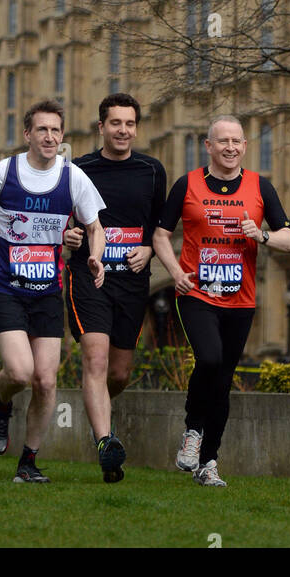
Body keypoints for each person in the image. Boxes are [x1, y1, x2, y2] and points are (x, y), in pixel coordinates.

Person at [0, 100, 106, 482]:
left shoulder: (73, 177)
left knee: (46, 380)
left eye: (55, 130)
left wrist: (95, 257)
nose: (49, 136)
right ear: (28, 134)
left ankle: (27, 463)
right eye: (42, 129)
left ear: (63, 137)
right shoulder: (3, 172)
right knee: (20, 371)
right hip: (6, 285)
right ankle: (2, 401)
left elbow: (95, 226)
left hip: (47, 290)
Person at [153, 115, 290, 487]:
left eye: (237, 141)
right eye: (223, 141)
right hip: (197, 292)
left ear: (245, 147)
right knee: (210, 358)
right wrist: (175, 271)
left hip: (241, 299)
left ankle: (209, 463)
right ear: (209, 146)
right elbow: (160, 234)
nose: (230, 147)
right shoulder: (188, 184)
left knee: (223, 379)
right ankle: (192, 430)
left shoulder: (260, 187)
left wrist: (261, 235)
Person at [63, 93, 167, 483]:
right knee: (96, 360)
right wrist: (69, 236)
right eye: (115, 123)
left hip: (132, 281)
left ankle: (97, 407)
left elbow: (160, 226)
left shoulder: (152, 171)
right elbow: (59, 219)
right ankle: (106, 443)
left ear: (136, 128)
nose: (123, 130)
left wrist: (146, 249)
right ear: (101, 127)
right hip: (90, 276)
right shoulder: (78, 169)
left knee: (118, 373)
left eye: (129, 124)